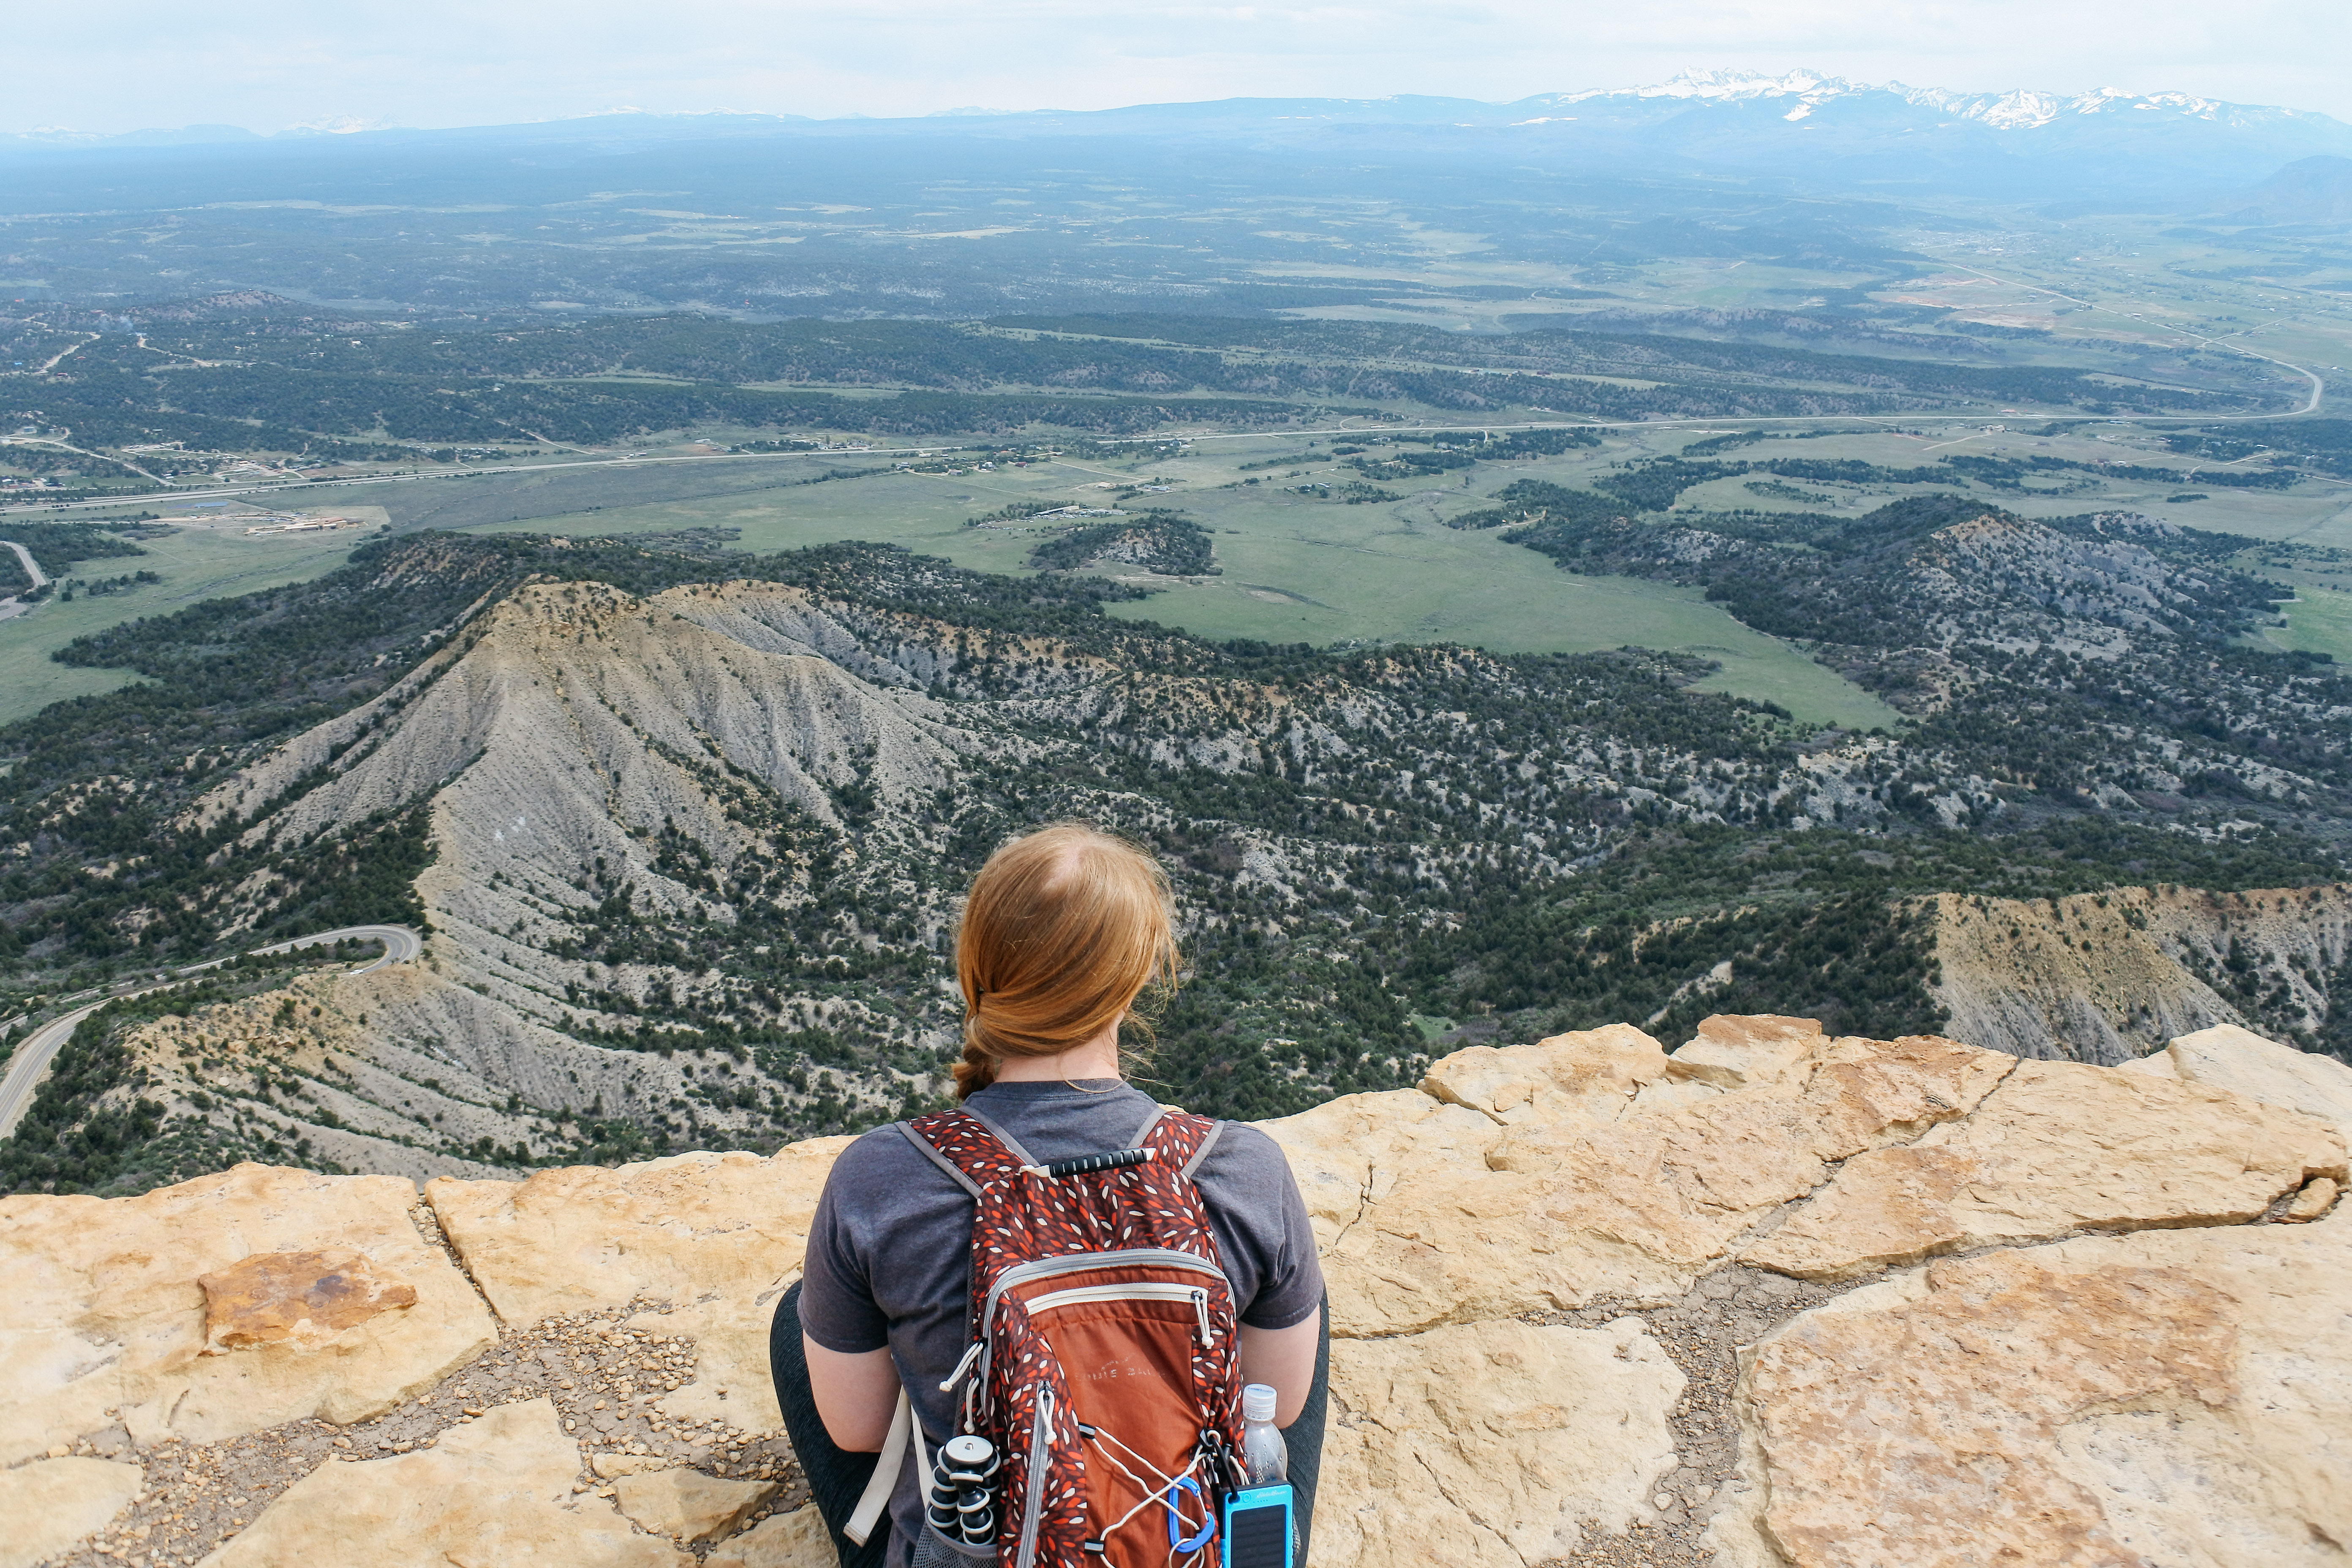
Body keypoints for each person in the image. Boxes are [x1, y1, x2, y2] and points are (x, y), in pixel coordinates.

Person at [771, 822, 1328, 1567]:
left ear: (979, 974)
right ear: (1133, 981)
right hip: (1184, 1545)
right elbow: (1276, 1408)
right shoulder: (1244, 1168)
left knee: (796, 1317)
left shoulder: (878, 1177)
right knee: (1297, 1313)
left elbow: (859, 1429)